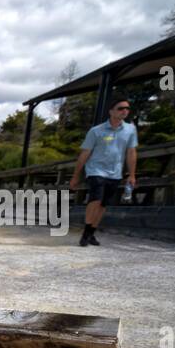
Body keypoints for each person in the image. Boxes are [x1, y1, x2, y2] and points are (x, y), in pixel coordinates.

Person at [69, 98, 137, 247]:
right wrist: (76, 176)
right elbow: (85, 153)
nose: (125, 110)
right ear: (111, 111)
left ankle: (91, 232)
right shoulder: (96, 131)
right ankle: (86, 234)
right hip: (96, 170)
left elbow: (131, 152)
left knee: (103, 205)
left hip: (115, 172)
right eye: (120, 108)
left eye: (127, 108)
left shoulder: (130, 130)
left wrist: (132, 175)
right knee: (96, 199)